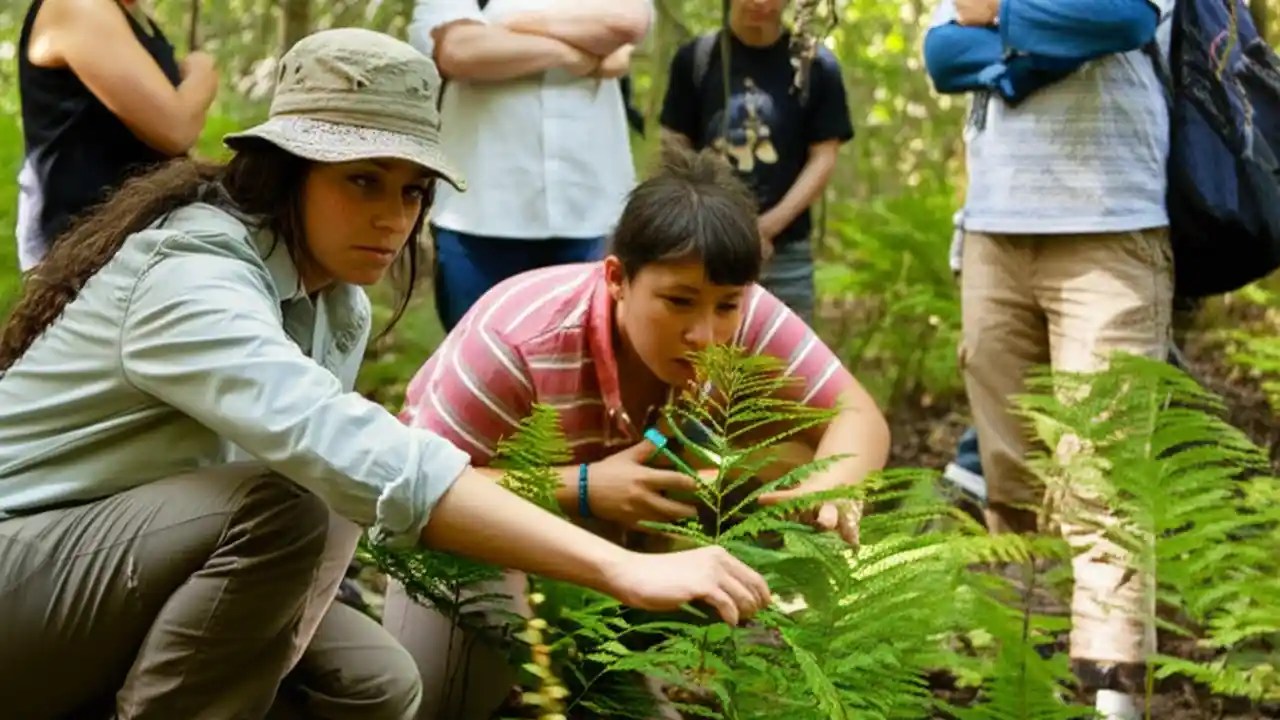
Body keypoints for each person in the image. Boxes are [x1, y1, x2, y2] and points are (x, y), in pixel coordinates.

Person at [0, 28, 771, 720]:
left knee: (375, 686)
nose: (393, 217)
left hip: (122, 573)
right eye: (362, 180)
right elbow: (352, 455)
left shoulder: (338, 308)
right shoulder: (192, 273)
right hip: (22, 572)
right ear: (287, 171)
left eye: (412, 190)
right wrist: (621, 569)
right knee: (302, 498)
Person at [385, 144, 892, 719]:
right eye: (678, 302)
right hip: (473, 536)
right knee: (434, 700)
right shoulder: (517, 340)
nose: (705, 333)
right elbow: (414, 489)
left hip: (637, 532)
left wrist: (834, 488)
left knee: (799, 448)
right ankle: (568, 667)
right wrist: (580, 486)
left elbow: (858, 416)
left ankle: (627, 667)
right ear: (617, 278)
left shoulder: (741, 313)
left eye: (727, 305)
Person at [924, 0, 1174, 717]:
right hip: (993, 235)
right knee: (1006, 479)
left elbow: (1120, 20)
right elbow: (943, 54)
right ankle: (1020, 681)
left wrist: (997, 22)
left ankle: (1111, 698)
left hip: (1111, 228)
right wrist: (1039, 45)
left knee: (1102, 480)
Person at [408, 0, 651, 332]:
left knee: (590, 363)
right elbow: (459, 51)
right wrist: (574, 55)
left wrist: (513, 26)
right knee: (477, 358)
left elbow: (627, 22)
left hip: (593, 207)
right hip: (479, 210)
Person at [659, 0, 854, 324]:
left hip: (785, 252)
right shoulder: (696, 59)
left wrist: (765, 227)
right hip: (705, 243)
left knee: (786, 367)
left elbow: (823, 156)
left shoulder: (815, 65)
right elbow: (674, 143)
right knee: (701, 360)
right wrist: (709, 218)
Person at [15, 0, 218, 271]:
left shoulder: (130, 17)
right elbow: (175, 127)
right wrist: (203, 74)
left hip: (133, 240)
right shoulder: (79, 6)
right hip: (83, 254)